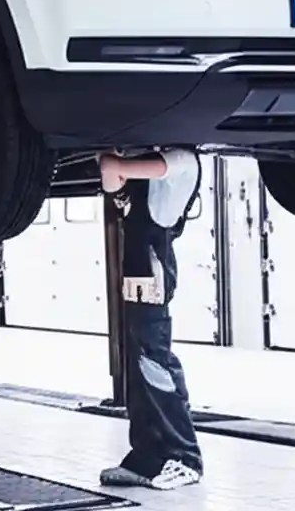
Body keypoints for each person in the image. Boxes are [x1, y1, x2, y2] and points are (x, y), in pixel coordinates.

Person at [96, 147, 204, 491]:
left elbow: (117, 168)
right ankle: (147, 455)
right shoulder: (146, 172)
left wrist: (113, 157)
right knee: (140, 369)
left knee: (155, 366)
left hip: (154, 278)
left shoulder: (182, 162)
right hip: (134, 280)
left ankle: (184, 458)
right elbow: (111, 178)